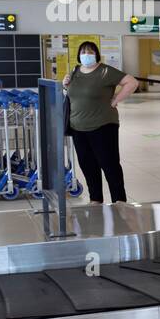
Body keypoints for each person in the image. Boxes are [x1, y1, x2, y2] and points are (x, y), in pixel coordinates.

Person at [63, 40, 138, 203]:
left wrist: (116, 99)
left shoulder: (105, 71)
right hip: (78, 127)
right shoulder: (76, 71)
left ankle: (119, 202)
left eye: (90, 52)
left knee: (110, 166)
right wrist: (65, 84)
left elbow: (132, 82)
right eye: (83, 52)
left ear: (96, 54)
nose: (86, 55)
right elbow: (72, 94)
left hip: (103, 126)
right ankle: (95, 200)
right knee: (88, 166)